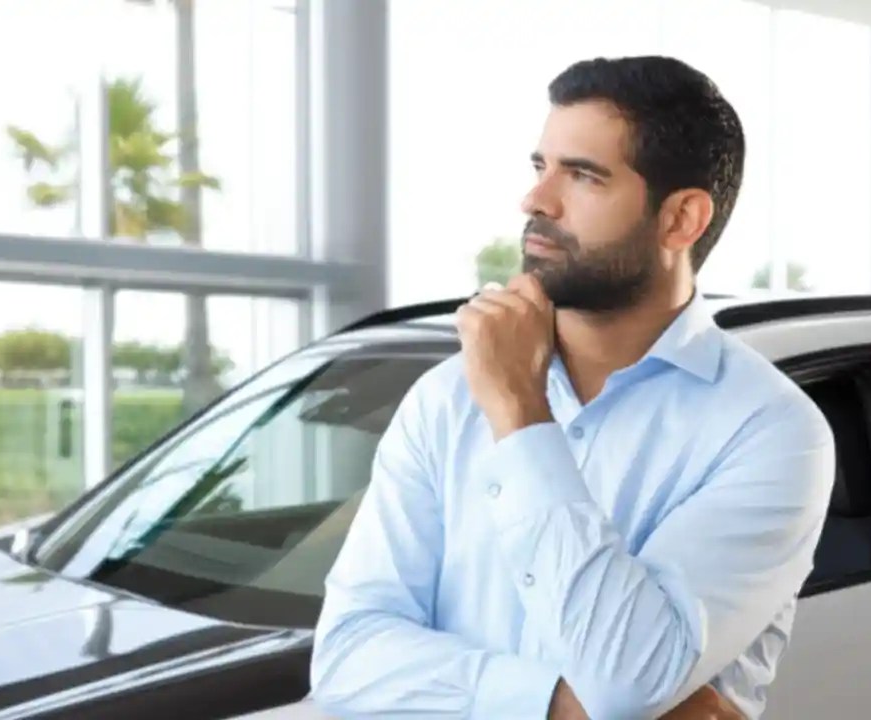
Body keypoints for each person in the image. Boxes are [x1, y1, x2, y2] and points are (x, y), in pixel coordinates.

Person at [308, 55, 835, 719]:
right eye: (540, 166)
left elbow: (629, 680)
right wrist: (564, 706)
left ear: (681, 220)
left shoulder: (771, 431)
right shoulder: (444, 399)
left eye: (583, 175)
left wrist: (519, 414)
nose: (536, 200)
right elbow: (347, 657)